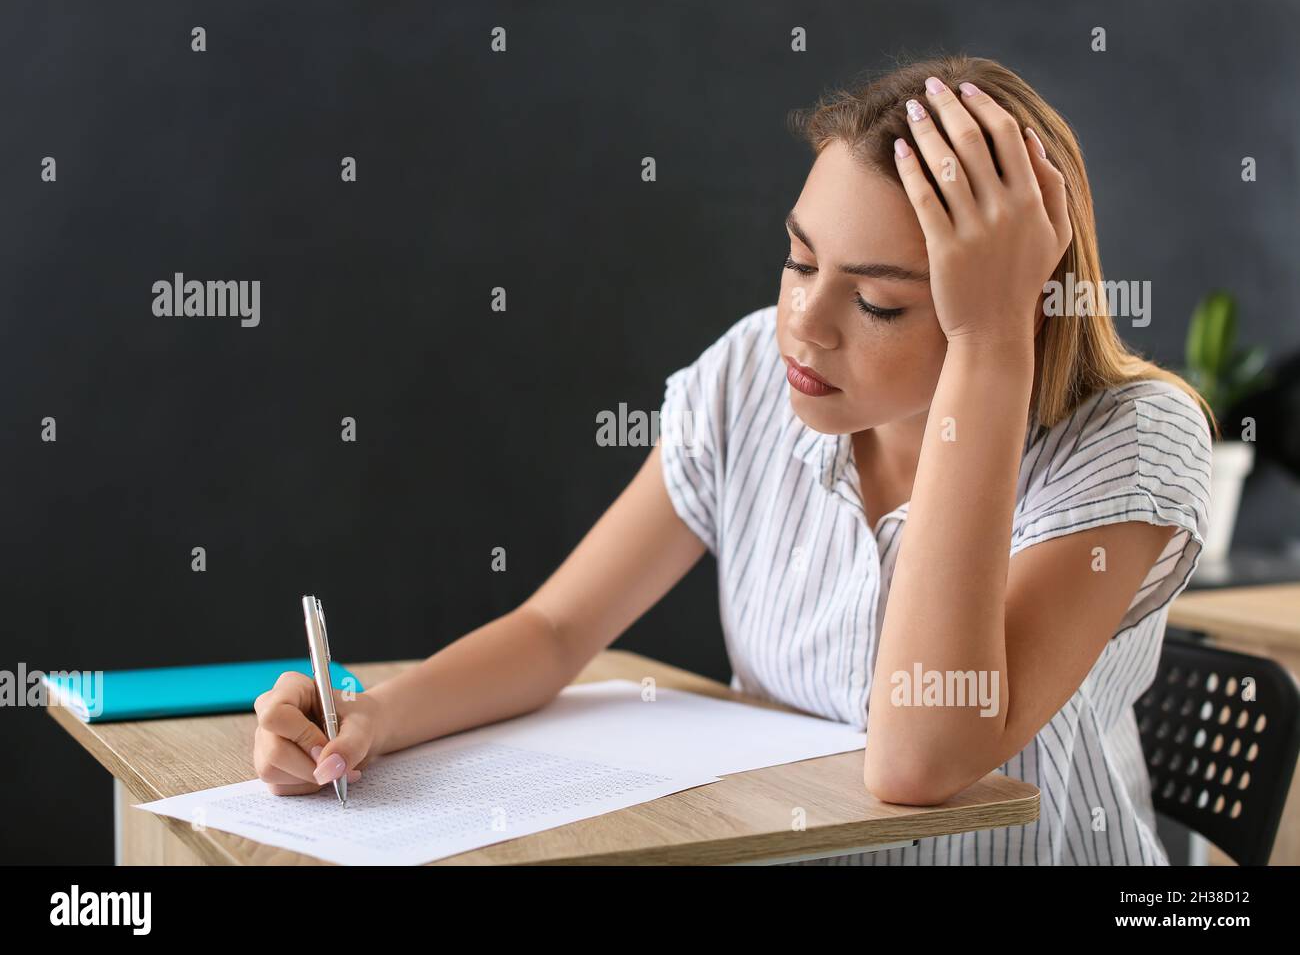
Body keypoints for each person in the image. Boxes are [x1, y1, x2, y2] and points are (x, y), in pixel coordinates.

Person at [253, 54, 1212, 865]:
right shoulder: (756, 371)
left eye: (878, 303)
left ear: (1003, 299)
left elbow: (919, 758)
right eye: (800, 261)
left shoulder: (1132, 439)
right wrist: (371, 717)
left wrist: (993, 351)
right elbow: (555, 629)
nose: (805, 322)